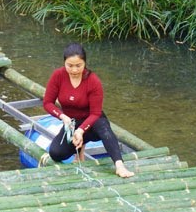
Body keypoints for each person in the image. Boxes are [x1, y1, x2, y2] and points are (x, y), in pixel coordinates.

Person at [42, 42, 134, 178]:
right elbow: (48, 103)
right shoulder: (58, 76)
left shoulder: (93, 81)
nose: (74, 70)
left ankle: (119, 165)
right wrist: (62, 117)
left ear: (84, 63)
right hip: (71, 122)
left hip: (93, 121)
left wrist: (81, 130)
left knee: (104, 128)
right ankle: (80, 149)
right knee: (56, 153)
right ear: (64, 63)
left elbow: (96, 113)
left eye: (78, 66)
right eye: (70, 66)